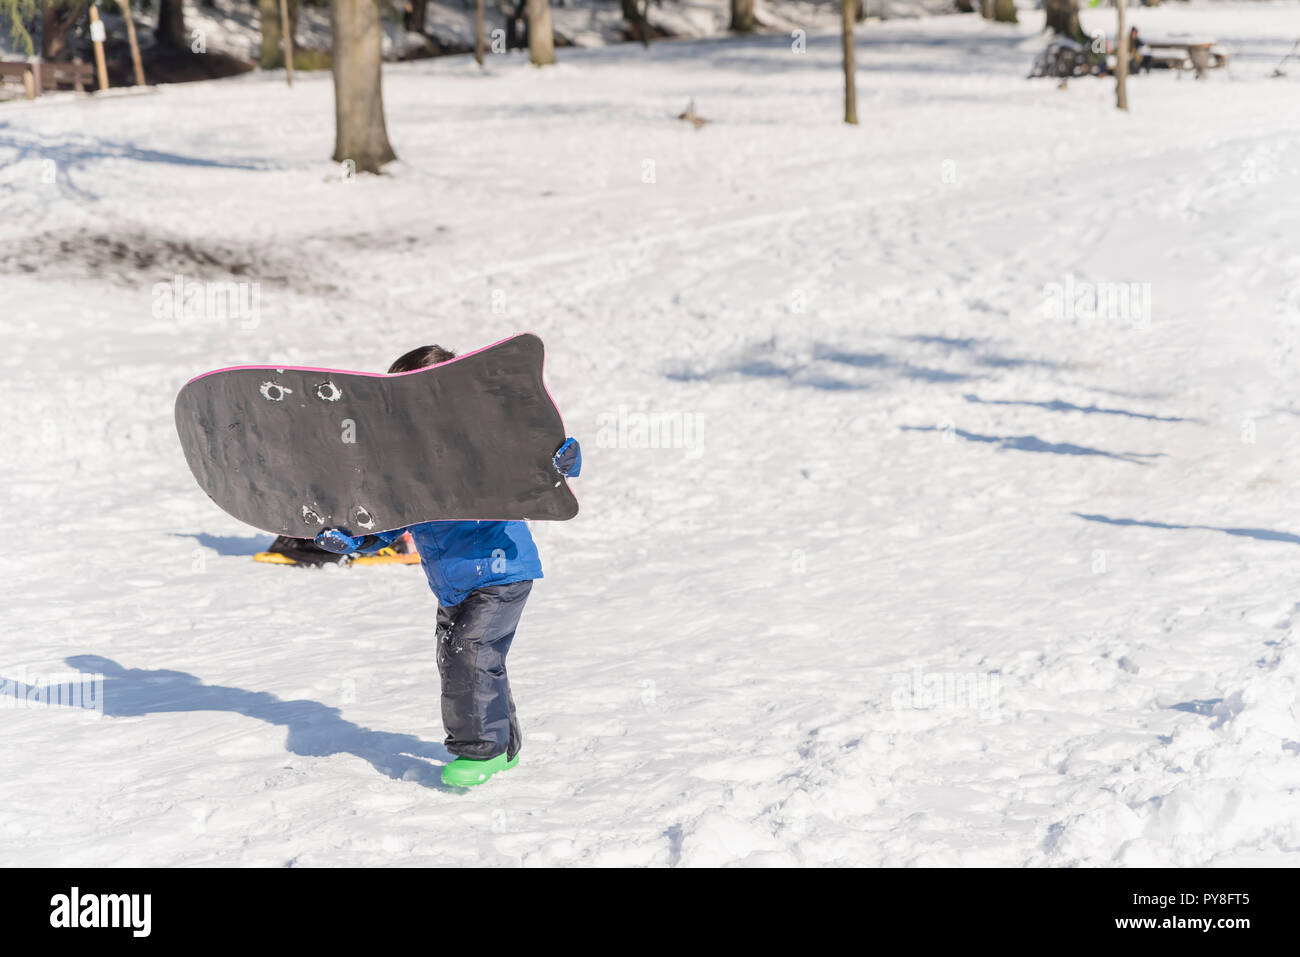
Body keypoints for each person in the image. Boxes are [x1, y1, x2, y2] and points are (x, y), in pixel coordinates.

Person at [313, 344, 582, 788]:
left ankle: (481, 752)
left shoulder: (485, 437)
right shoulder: (401, 463)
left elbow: (531, 470)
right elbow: (385, 519)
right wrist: (354, 540)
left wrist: (555, 462)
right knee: (470, 658)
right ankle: (505, 747)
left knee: (470, 653)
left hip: (501, 571)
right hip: (452, 583)